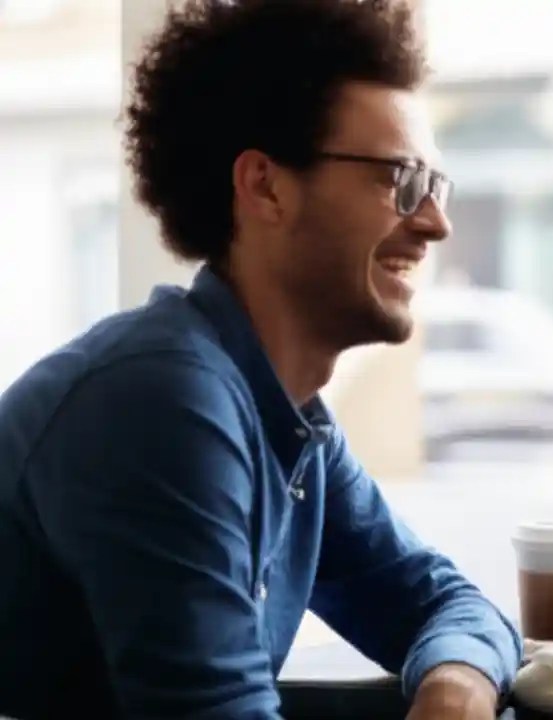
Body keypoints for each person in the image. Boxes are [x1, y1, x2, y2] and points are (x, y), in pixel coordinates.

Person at [0, 1, 521, 718]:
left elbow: (451, 605)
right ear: (265, 186)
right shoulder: (163, 403)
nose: (435, 222)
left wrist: (454, 690)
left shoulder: (287, 423)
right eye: (400, 179)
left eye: (435, 187)